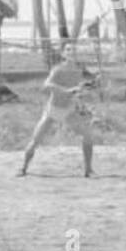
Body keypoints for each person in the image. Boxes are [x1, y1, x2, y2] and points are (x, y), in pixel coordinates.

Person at [18, 40, 97, 177]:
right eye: (68, 50)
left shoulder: (79, 69)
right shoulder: (58, 69)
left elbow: (91, 82)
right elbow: (46, 85)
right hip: (53, 110)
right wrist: (66, 90)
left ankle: (88, 170)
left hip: (70, 110)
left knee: (88, 136)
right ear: (63, 54)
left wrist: (96, 81)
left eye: (74, 50)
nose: (72, 52)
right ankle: (23, 168)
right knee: (36, 140)